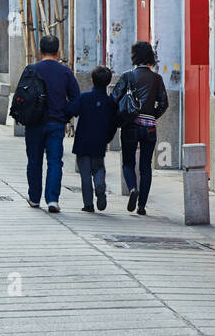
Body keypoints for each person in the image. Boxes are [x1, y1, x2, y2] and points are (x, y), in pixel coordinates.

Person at [23, 34, 79, 213]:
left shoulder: (31, 69)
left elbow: (21, 96)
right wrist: (65, 114)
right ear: (58, 51)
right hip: (56, 123)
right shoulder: (65, 72)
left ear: (40, 51)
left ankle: (34, 197)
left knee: (34, 160)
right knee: (55, 161)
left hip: (34, 124)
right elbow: (76, 98)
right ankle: (52, 199)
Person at [111, 41, 168, 216]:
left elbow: (114, 98)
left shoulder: (127, 76)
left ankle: (133, 188)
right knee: (145, 167)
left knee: (128, 162)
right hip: (150, 127)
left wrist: (123, 115)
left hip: (130, 125)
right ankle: (142, 206)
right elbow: (164, 103)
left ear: (134, 57)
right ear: (150, 56)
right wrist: (152, 116)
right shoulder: (157, 79)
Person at [65, 66, 119, 213]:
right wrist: (107, 138)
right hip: (100, 141)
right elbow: (114, 123)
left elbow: (71, 111)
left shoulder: (84, 98)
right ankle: (100, 185)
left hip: (83, 141)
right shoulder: (110, 103)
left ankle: (88, 204)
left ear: (92, 80)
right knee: (99, 167)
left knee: (85, 173)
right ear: (108, 82)